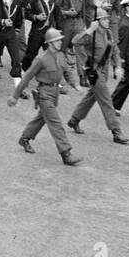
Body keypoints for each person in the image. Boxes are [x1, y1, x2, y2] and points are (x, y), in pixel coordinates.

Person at [8, 26, 82, 165]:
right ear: (50, 43)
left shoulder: (61, 55)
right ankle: (66, 153)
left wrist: (75, 84)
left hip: (54, 94)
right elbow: (26, 78)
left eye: (60, 40)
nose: (60, 43)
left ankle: (25, 138)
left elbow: (67, 72)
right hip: (44, 94)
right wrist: (15, 96)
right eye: (57, 41)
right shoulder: (41, 59)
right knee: (55, 123)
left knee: (41, 118)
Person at [68, 4, 129, 143]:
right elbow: (75, 41)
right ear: (97, 21)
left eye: (108, 19)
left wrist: (118, 66)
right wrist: (90, 30)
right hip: (93, 72)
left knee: (92, 96)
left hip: (103, 71)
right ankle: (116, 131)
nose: (107, 21)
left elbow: (114, 50)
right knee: (106, 100)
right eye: (104, 19)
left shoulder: (108, 33)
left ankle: (74, 120)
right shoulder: (92, 34)